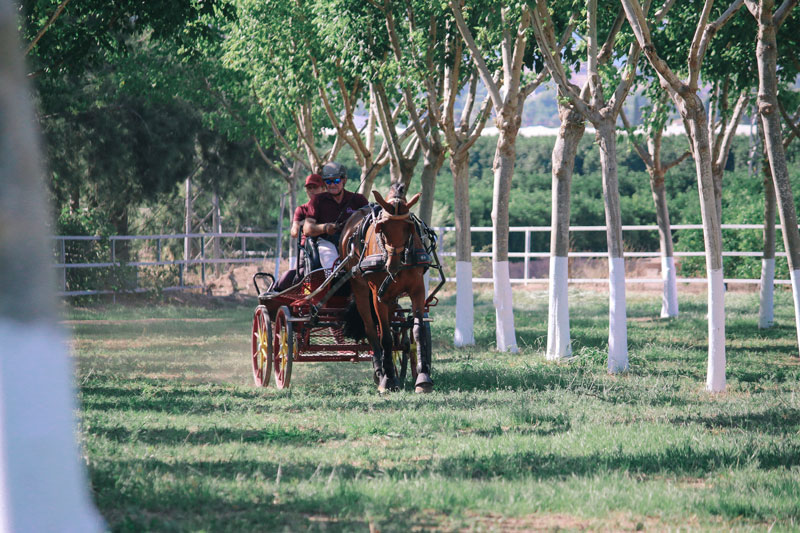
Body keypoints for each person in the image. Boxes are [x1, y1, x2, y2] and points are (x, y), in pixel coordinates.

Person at [303, 162, 368, 269]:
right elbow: (306, 229)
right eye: (328, 182)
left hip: (355, 242)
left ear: (344, 180)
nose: (332, 185)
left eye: (336, 180)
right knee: (332, 268)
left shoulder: (359, 200)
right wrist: (325, 228)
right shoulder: (317, 200)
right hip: (327, 242)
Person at [273, 173, 325, 292]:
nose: (312, 191)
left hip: (328, 245)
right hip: (307, 248)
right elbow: (294, 232)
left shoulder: (329, 208)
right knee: (300, 274)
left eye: (315, 187)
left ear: (323, 188)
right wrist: (303, 225)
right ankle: (293, 290)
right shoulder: (302, 209)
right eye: (309, 188)